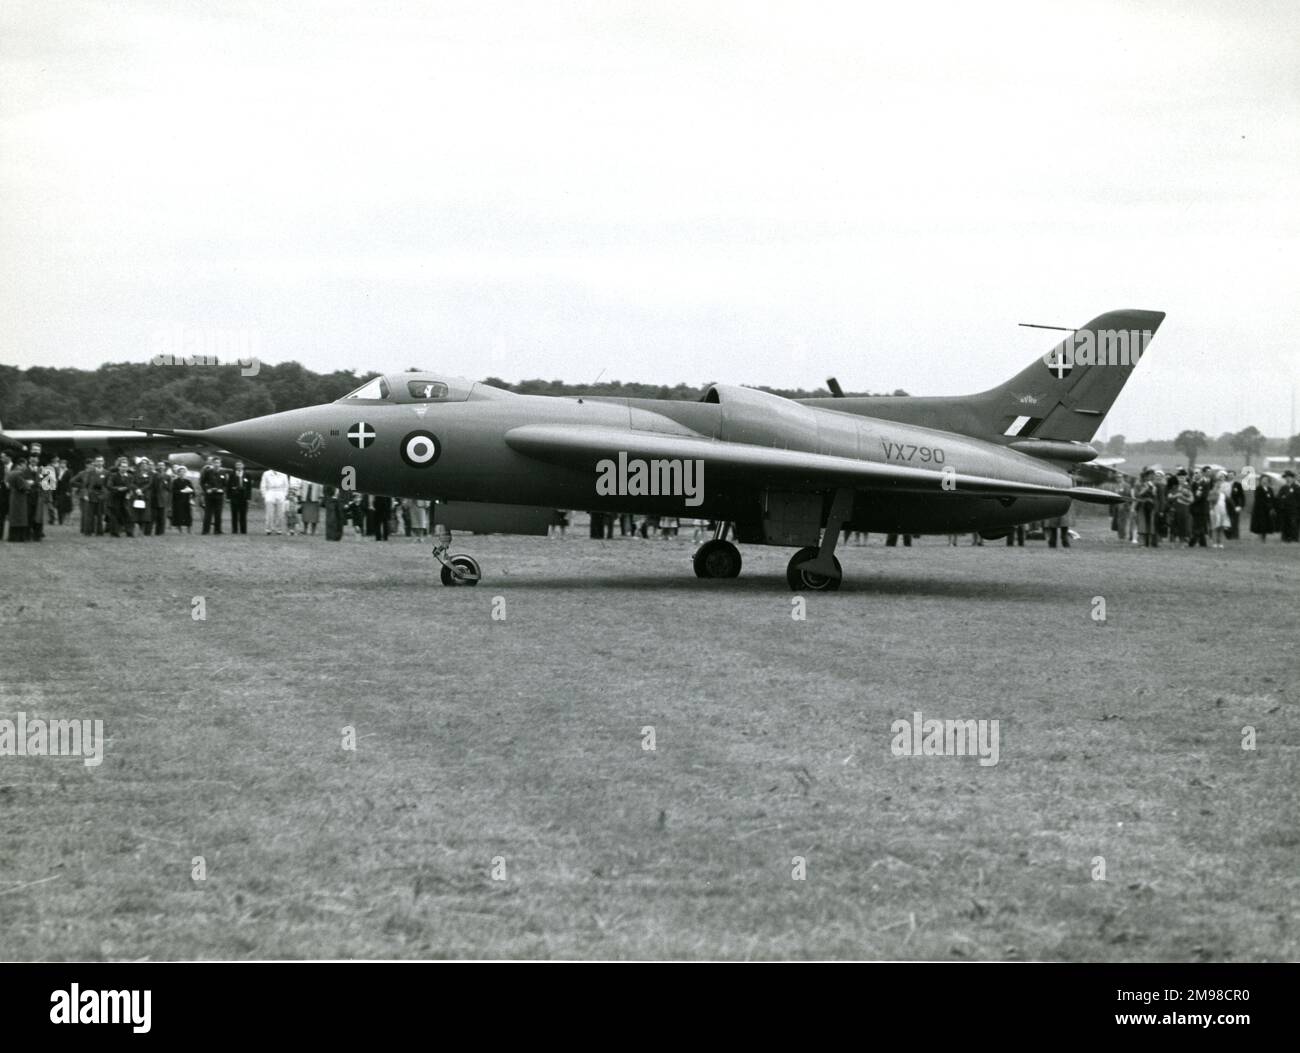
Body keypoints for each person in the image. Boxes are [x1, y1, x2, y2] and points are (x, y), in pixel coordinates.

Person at [6, 456, 34, 541]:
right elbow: (22, 486)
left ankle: (12, 536)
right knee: (20, 517)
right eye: (25, 465)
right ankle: (19, 537)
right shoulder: (19, 473)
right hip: (19, 498)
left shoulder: (11, 472)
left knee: (14, 518)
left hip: (13, 496)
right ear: (21, 464)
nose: (26, 467)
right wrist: (29, 484)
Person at [107, 456, 133, 537]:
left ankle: (129, 532)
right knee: (115, 515)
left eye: (125, 467)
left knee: (128, 514)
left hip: (125, 498)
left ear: (127, 467)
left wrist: (130, 491)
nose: (124, 468)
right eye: (122, 466)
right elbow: (109, 485)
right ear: (119, 467)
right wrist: (118, 489)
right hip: (115, 498)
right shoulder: (113, 475)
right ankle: (115, 532)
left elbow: (131, 486)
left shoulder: (130, 476)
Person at [200, 457, 227, 534]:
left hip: (219, 495)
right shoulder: (208, 471)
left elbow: (225, 484)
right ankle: (205, 530)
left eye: (218, 463)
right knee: (208, 513)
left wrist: (222, 490)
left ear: (220, 464)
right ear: (212, 463)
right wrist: (206, 489)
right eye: (215, 463)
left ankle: (217, 530)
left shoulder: (223, 472)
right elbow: (202, 482)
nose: (217, 464)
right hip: (209, 495)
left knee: (218, 513)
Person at [128, 459, 155, 536]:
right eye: (142, 464)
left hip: (145, 495)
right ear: (139, 466)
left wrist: (141, 490)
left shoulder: (150, 474)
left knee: (145, 513)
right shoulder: (135, 474)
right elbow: (132, 483)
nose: (144, 466)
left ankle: (142, 530)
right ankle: (135, 529)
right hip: (137, 495)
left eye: (145, 464)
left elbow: (150, 484)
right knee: (136, 512)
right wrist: (137, 489)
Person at [260, 467, 289, 535]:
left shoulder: (283, 474)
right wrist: (265, 495)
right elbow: (263, 485)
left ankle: (279, 529)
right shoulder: (266, 473)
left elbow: (286, 486)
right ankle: (268, 529)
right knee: (269, 513)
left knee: (280, 513)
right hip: (270, 492)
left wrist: (284, 495)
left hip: (280, 492)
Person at [1188, 466, 1212, 547]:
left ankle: (1192, 542)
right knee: (1199, 525)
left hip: (1202, 509)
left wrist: (1191, 500)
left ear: (1201, 474)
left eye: (1197, 473)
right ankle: (1203, 543)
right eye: (1194, 473)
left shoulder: (1204, 484)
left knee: (1198, 526)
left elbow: (1201, 496)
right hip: (1195, 509)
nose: (1196, 475)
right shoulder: (1194, 484)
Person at [227, 461, 253, 534]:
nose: (239, 466)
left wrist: (249, 498)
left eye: (240, 465)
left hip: (243, 496)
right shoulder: (232, 474)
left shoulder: (247, 474)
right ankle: (234, 530)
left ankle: (243, 530)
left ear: (243, 466)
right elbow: (228, 486)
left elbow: (249, 487)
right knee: (234, 514)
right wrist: (228, 497)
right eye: (237, 465)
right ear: (235, 466)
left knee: (243, 514)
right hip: (234, 496)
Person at [1208, 470, 1231, 548]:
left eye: (1223, 478)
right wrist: (1211, 509)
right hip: (1215, 509)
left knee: (1221, 527)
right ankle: (1214, 543)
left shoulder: (1225, 491)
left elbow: (1228, 498)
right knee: (1215, 527)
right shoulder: (1213, 491)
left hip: (1223, 509)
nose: (1220, 482)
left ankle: (1220, 542)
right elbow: (1210, 500)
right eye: (1220, 478)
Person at [1250, 475, 1275, 541]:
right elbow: (1259, 500)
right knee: (1261, 525)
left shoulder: (1270, 489)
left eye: (1266, 480)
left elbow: (1272, 499)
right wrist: (1268, 506)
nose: (1264, 481)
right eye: (1263, 480)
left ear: (1268, 481)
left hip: (1268, 511)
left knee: (1266, 525)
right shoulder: (1258, 489)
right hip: (1260, 510)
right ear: (1260, 481)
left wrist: (1272, 507)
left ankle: (1264, 538)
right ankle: (1260, 538)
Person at [1278, 470, 1300, 542]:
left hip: (1294, 510)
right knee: (1285, 524)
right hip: (1284, 510)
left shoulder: (1297, 487)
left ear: (1292, 478)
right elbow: (1279, 497)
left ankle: (1294, 538)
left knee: (1293, 524)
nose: (1288, 479)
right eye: (1286, 477)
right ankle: (1285, 538)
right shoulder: (1283, 488)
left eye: (1289, 477)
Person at [171, 467, 196, 532]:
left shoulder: (188, 481)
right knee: (179, 515)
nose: (182, 473)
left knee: (188, 515)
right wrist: (181, 491)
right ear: (178, 473)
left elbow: (193, 491)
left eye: (183, 472)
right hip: (178, 501)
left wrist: (191, 493)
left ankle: (189, 529)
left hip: (186, 500)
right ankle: (180, 529)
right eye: (180, 472)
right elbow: (173, 491)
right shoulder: (175, 482)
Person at [150, 462, 171, 536]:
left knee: (162, 516)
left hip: (163, 498)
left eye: (162, 465)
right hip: (155, 497)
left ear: (165, 467)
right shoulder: (154, 475)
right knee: (153, 516)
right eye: (159, 465)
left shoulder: (168, 476)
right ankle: (151, 531)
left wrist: (165, 483)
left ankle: (160, 532)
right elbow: (152, 485)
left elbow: (170, 488)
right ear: (157, 467)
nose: (161, 467)